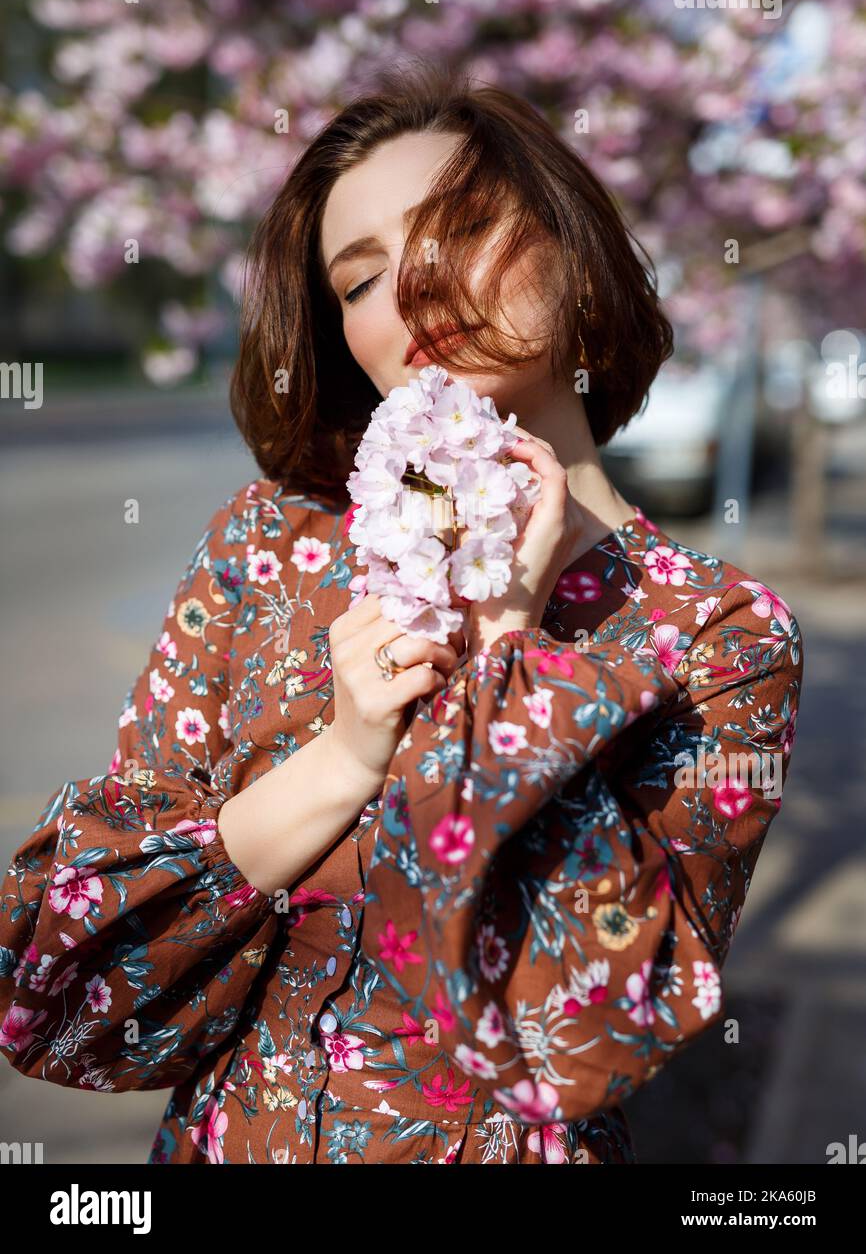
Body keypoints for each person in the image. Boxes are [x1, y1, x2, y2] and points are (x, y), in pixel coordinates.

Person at [0, 61, 803, 1165]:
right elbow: (67, 982)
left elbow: (593, 1034)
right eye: (360, 276)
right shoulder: (267, 547)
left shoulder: (714, 632)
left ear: (573, 249)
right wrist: (341, 755)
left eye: (457, 227)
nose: (415, 288)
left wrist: (505, 657)